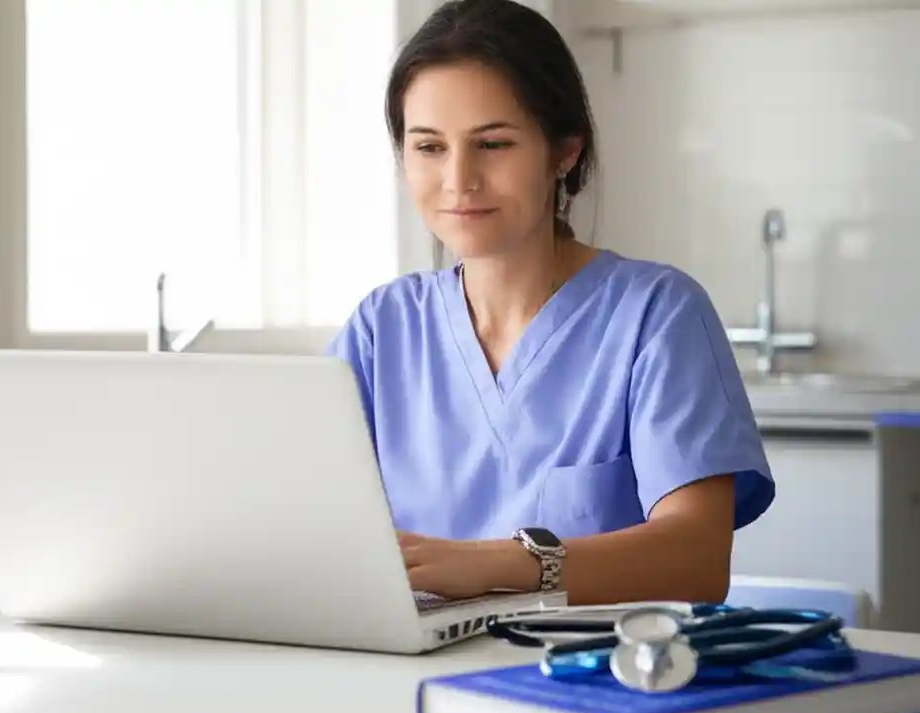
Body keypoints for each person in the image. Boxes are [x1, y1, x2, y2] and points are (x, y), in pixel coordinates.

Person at [326, 0, 774, 607]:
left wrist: (496, 565)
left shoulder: (657, 316)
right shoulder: (381, 330)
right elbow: (308, 534)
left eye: (493, 144)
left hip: (593, 684)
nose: (459, 180)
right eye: (429, 147)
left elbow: (696, 558)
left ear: (563, 151)